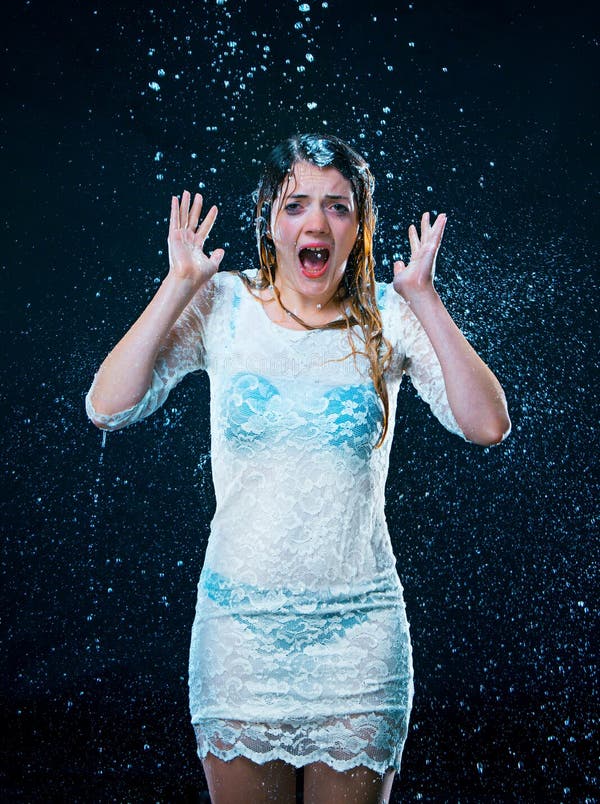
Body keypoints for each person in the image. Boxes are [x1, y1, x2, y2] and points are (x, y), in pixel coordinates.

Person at [85, 134, 510, 804]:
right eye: (296, 206)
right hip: (240, 632)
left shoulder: (390, 315)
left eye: (338, 207)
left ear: (359, 226)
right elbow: (107, 407)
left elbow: (487, 425)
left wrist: (425, 299)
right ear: (269, 222)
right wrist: (178, 285)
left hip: (359, 636)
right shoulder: (221, 303)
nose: (317, 223)